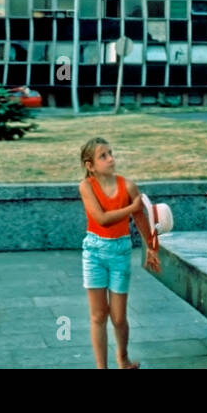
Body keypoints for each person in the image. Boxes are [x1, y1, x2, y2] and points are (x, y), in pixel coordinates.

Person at [78, 136, 160, 369]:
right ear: (90, 165)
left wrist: (152, 248)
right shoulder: (86, 186)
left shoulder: (128, 186)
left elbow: (142, 218)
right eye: (103, 156)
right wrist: (131, 208)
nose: (111, 158)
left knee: (119, 317)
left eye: (111, 153)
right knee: (98, 315)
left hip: (120, 252)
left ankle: (122, 359)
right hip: (94, 252)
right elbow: (102, 220)